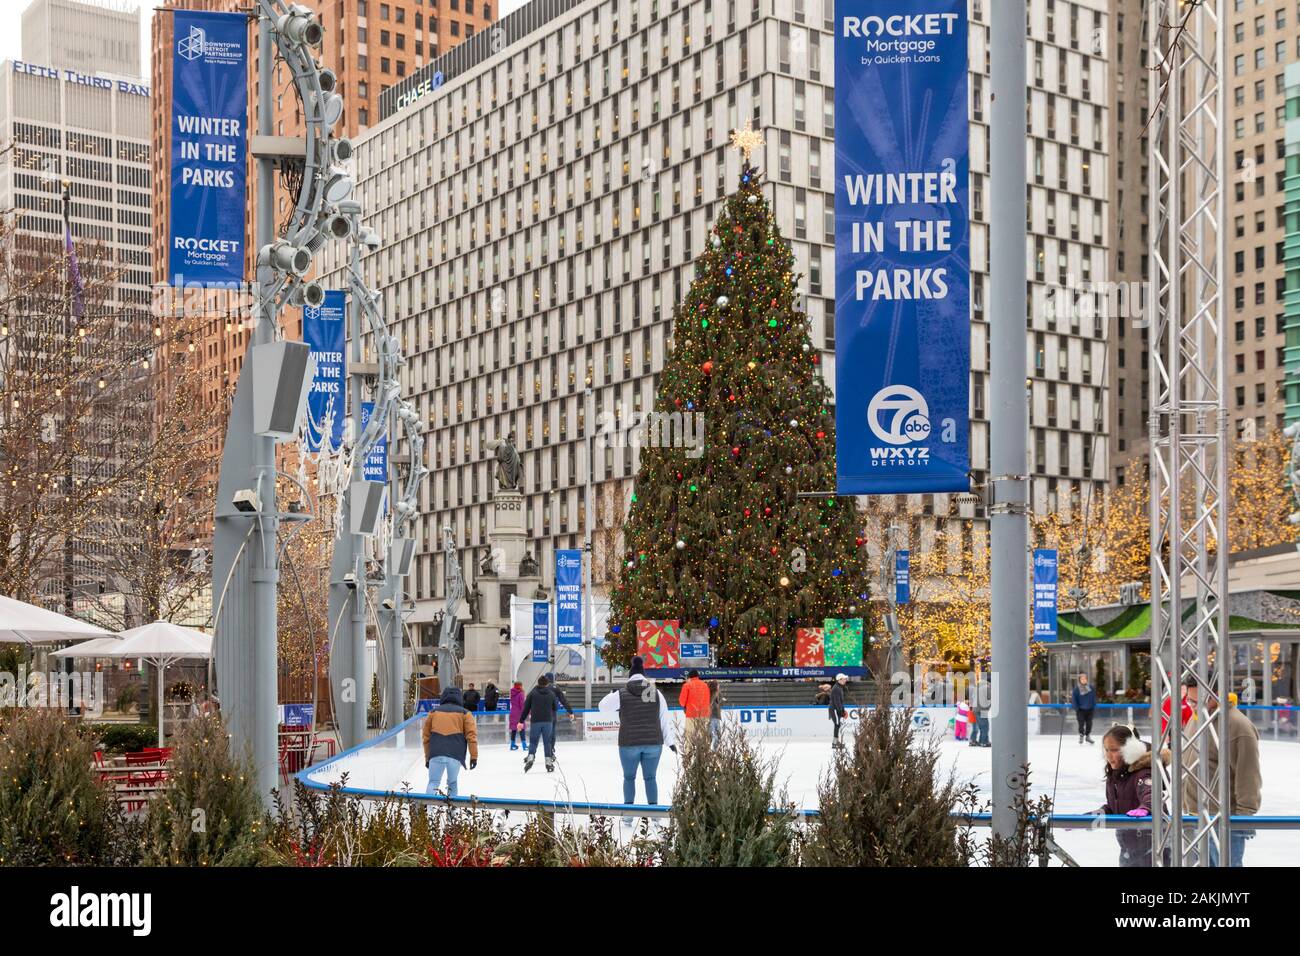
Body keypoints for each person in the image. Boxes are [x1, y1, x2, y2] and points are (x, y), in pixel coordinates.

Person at [1184, 686, 1262, 867]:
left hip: (1222, 819)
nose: (1192, 706)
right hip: (1193, 816)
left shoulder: (1238, 726)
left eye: (1196, 701)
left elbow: (1248, 775)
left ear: (1216, 695)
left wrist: (1245, 816)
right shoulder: (1196, 718)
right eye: (1189, 700)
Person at [598, 655, 674, 822]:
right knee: (650, 777)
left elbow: (602, 707)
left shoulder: (621, 694)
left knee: (629, 777)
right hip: (653, 743)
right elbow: (664, 719)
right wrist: (670, 742)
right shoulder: (656, 693)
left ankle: (628, 816)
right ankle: (655, 815)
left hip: (628, 743)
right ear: (644, 676)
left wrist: (611, 693)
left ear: (629, 676)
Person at [1094, 724, 1159, 867]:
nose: (1109, 755)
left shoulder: (1143, 773)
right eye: (1106, 750)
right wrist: (1096, 815)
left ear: (1131, 750)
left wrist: (1146, 807)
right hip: (1129, 850)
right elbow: (1114, 807)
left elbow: (1152, 793)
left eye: (1114, 750)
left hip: (1153, 850)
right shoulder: (1116, 777)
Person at [422, 686, 479, 798]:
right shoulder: (465, 713)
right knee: (452, 783)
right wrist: (474, 756)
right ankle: (451, 813)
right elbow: (471, 736)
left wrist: (427, 757)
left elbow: (426, 737)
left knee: (433, 782)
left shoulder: (433, 713)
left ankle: (428, 811)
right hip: (455, 754)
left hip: (436, 752)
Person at [519, 673, 574, 772]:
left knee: (533, 740)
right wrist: (569, 711)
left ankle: (531, 756)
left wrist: (521, 721)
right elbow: (559, 704)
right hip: (549, 719)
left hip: (536, 719)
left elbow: (526, 706)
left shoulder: (533, 692)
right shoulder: (553, 692)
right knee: (548, 740)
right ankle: (549, 758)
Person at [677, 669, 711, 755]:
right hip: (704, 714)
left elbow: (682, 702)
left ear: (689, 677)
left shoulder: (687, 685)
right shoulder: (705, 685)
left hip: (691, 714)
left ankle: (688, 754)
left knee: (689, 735)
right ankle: (705, 753)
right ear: (698, 676)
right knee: (703, 735)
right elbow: (708, 700)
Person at [1072, 673, 1097, 744]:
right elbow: (1074, 699)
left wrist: (1093, 705)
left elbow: (1093, 697)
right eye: (1082, 679)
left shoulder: (1091, 687)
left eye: (1085, 678)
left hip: (1090, 709)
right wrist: (1076, 708)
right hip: (1080, 710)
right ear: (1079, 680)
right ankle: (1081, 735)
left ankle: (1088, 736)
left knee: (1089, 723)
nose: (1084, 680)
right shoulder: (1076, 689)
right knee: (1081, 723)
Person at [828, 673, 849, 750]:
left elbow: (840, 701)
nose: (845, 680)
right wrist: (840, 711)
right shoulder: (837, 688)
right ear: (839, 680)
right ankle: (835, 743)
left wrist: (842, 710)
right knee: (837, 725)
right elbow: (837, 702)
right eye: (844, 679)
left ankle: (836, 742)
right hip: (835, 709)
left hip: (836, 709)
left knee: (837, 725)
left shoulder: (839, 687)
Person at [970, 673, 991, 747]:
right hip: (982, 709)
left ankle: (980, 740)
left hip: (975, 709)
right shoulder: (988, 687)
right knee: (985, 726)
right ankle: (984, 742)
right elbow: (991, 697)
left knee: (981, 726)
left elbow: (973, 697)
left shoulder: (978, 687)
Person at [508, 680, 526, 750]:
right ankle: (524, 745)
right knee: (521, 728)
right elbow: (522, 705)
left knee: (514, 729)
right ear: (520, 686)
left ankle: (512, 745)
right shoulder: (521, 693)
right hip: (519, 713)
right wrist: (526, 712)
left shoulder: (512, 693)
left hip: (513, 712)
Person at [707, 679, 725, 747]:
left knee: (715, 735)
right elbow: (714, 706)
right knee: (715, 735)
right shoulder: (714, 694)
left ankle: (713, 750)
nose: (719, 686)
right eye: (718, 685)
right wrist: (722, 701)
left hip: (714, 716)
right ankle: (714, 750)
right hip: (714, 716)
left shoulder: (712, 693)